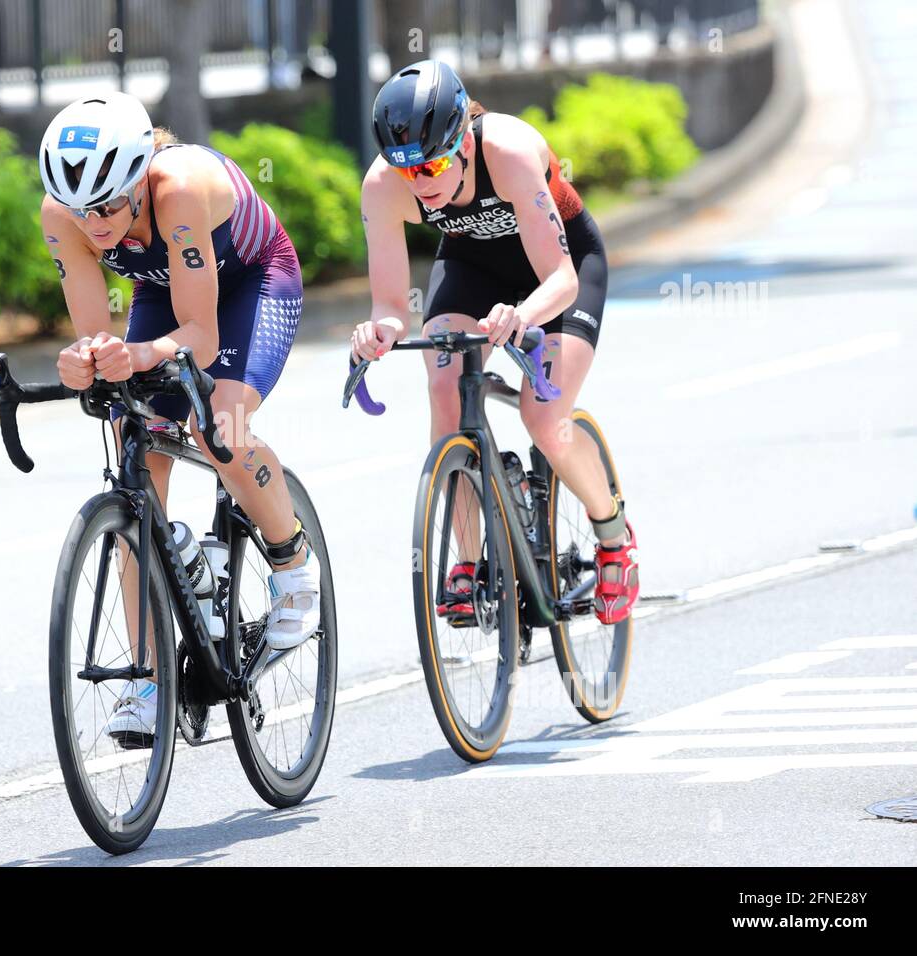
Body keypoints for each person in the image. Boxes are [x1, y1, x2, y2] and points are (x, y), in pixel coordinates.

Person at [39, 92, 319, 741]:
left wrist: (137, 353)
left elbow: (203, 332)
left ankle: (294, 564)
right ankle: (149, 675)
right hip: (167, 290)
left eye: (110, 203)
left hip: (252, 282)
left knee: (219, 423)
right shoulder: (63, 215)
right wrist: (86, 361)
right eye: (85, 211)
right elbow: (92, 336)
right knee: (132, 439)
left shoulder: (180, 188)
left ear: (140, 174)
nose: (98, 223)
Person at [350, 59, 639, 626]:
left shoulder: (506, 151)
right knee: (444, 391)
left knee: (545, 417)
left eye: (432, 165)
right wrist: (380, 328)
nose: (422, 184)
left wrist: (524, 314)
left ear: (460, 141)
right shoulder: (384, 185)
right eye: (407, 170)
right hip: (472, 268)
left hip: (559, 272)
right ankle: (466, 561)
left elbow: (561, 278)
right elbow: (390, 302)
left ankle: (612, 533)